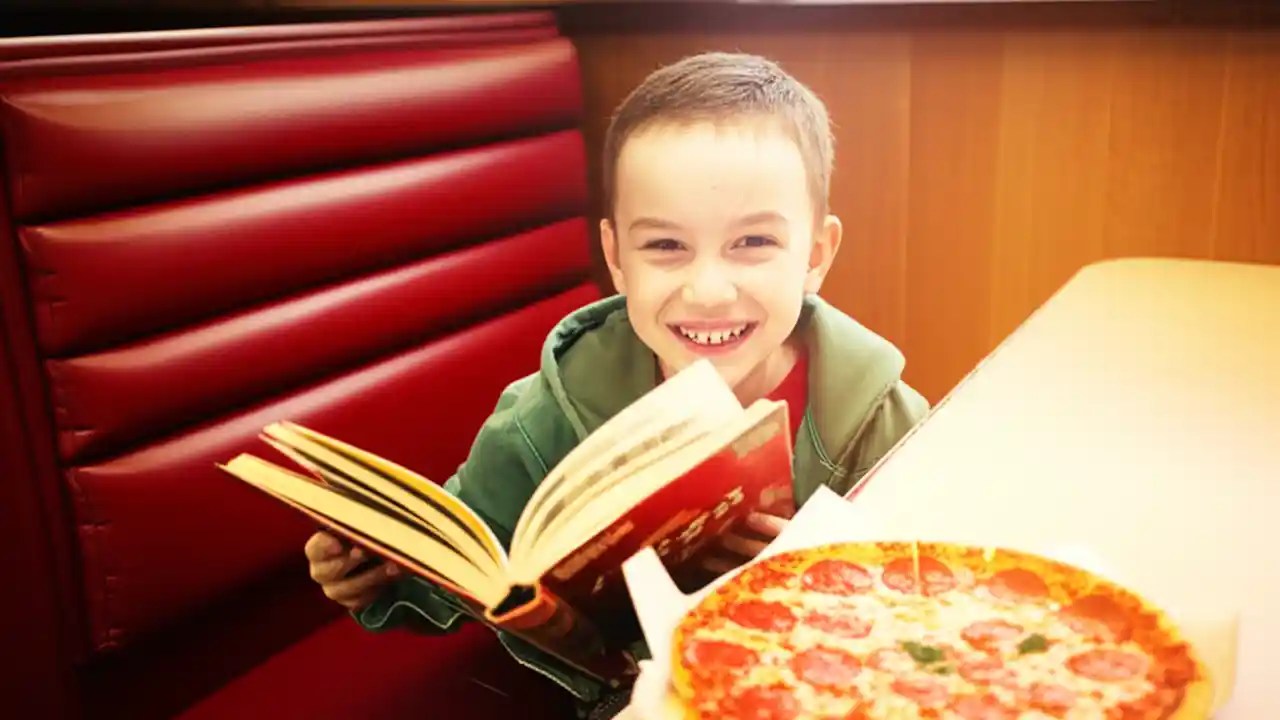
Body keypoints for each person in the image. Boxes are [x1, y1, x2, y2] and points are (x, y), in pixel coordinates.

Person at [304, 51, 929, 717]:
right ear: (616, 258)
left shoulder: (882, 417)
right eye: (665, 247)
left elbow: (922, 604)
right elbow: (473, 559)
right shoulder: (544, 416)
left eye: (752, 243)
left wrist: (804, 577)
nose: (708, 290)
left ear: (815, 255)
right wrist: (381, 573)